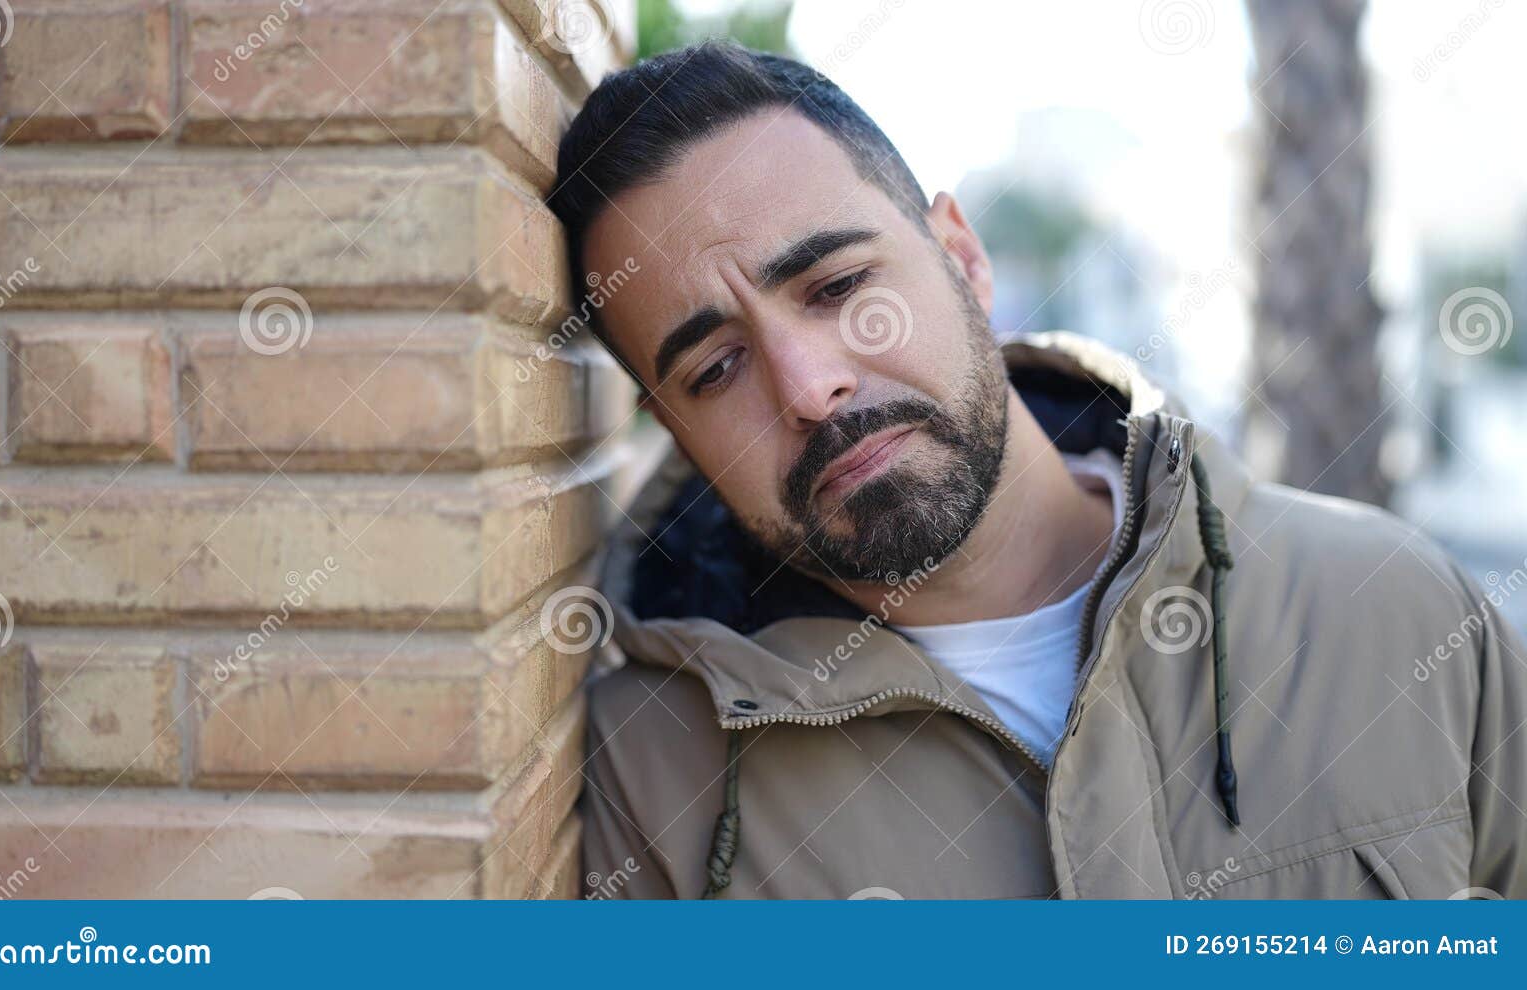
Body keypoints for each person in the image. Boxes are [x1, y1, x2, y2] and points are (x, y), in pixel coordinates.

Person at [546, 40, 1527, 899]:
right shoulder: (652, 777)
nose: (808, 388)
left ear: (961, 256)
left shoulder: (1388, 607)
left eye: (838, 286)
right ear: (669, 424)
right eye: (716, 369)